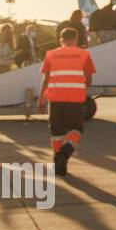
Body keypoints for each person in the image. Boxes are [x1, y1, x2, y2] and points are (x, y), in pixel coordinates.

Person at [37, 26, 95, 178]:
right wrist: (82, 87)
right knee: (76, 130)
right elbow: (89, 78)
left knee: (57, 133)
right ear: (76, 39)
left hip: (55, 99)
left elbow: (46, 78)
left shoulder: (50, 55)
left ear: (61, 40)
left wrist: (41, 98)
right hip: (75, 99)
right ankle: (64, 153)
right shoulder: (84, 54)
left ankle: (59, 163)